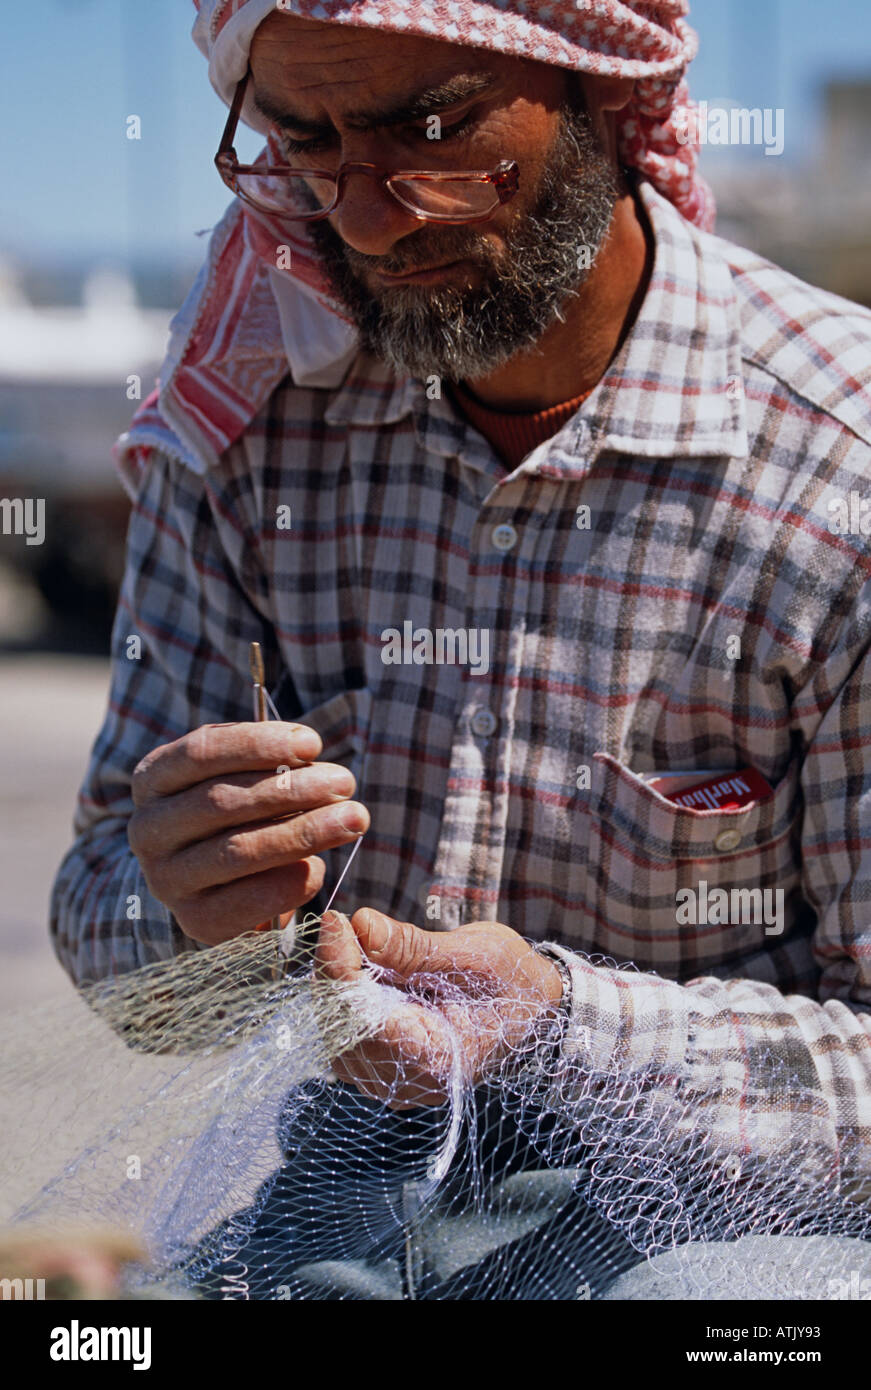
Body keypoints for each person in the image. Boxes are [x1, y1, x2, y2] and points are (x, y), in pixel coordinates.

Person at [51, 0, 871, 1296]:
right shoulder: (244, 436)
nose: (366, 215)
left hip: (731, 1227)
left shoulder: (840, 470)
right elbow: (104, 926)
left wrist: (561, 1027)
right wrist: (181, 904)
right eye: (306, 141)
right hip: (353, 1207)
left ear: (597, 83)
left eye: (426, 129)